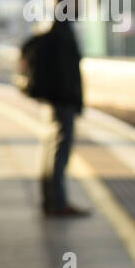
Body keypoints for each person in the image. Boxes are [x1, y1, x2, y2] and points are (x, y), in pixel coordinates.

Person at [35, 15, 91, 218]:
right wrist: (73, 100)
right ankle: (57, 202)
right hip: (62, 103)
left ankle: (52, 200)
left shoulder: (56, 30)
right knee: (60, 151)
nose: (79, 8)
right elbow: (67, 73)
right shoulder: (62, 33)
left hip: (56, 102)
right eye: (75, 1)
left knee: (54, 149)